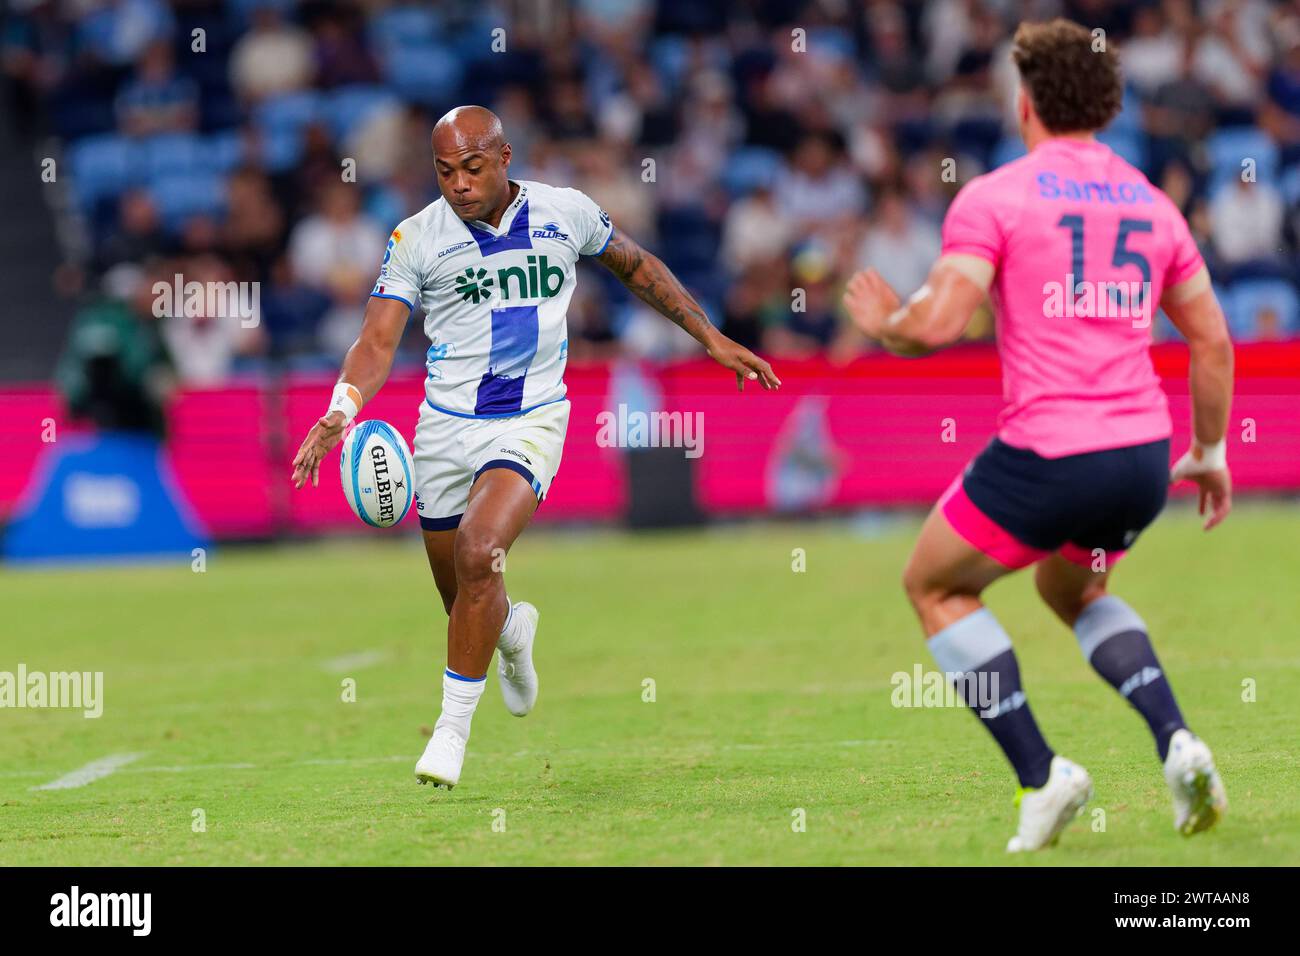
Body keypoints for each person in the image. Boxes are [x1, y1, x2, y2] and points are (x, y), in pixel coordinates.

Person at [290, 106, 779, 789]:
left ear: (505, 157)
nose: (457, 184)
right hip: (444, 431)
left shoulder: (565, 212)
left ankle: (450, 735)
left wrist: (710, 336)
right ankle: (514, 632)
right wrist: (341, 410)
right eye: (443, 171)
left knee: (476, 549)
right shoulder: (416, 237)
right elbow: (376, 342)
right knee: (464, 595)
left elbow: (637, 267)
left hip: (531, 421)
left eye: (472, 168)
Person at [842, 19, 1232, 852]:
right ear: (1107, 106)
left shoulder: (996, 196)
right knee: (1074, 590)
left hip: (1053, 452)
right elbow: (1212, 340)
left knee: (935, 585)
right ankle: (1180, 743)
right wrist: (1212, 450)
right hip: (1140, 460)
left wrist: (887, 322)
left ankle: (1041, 775)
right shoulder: (1152, 203)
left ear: (1023, 104)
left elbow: (939, 322)